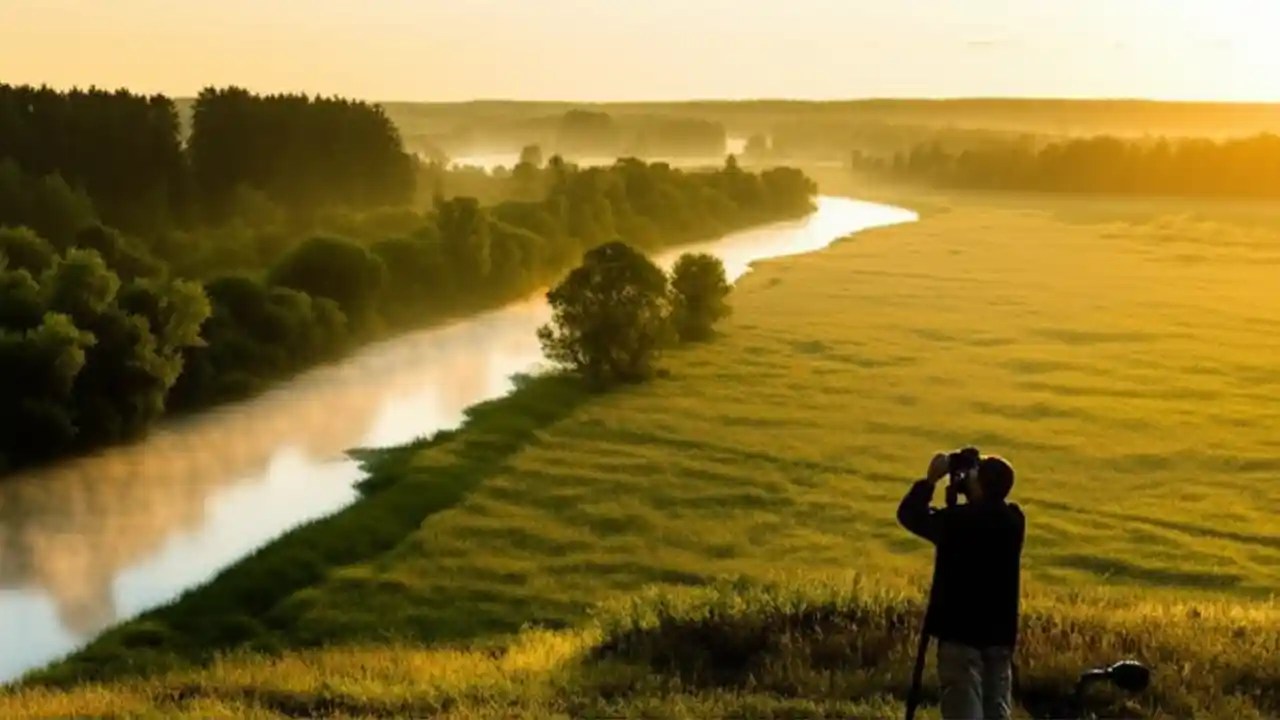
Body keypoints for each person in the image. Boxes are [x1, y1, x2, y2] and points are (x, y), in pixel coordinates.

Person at [897, 450, 1025, 720]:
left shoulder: (957, 522)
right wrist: (973, 486)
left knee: (963, 710)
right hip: (999, 636)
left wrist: (930, 480)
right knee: (997, 711)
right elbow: (986, 510)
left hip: (960, 634)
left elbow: (910, 515)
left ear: (978, 484)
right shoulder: (1014, 520)